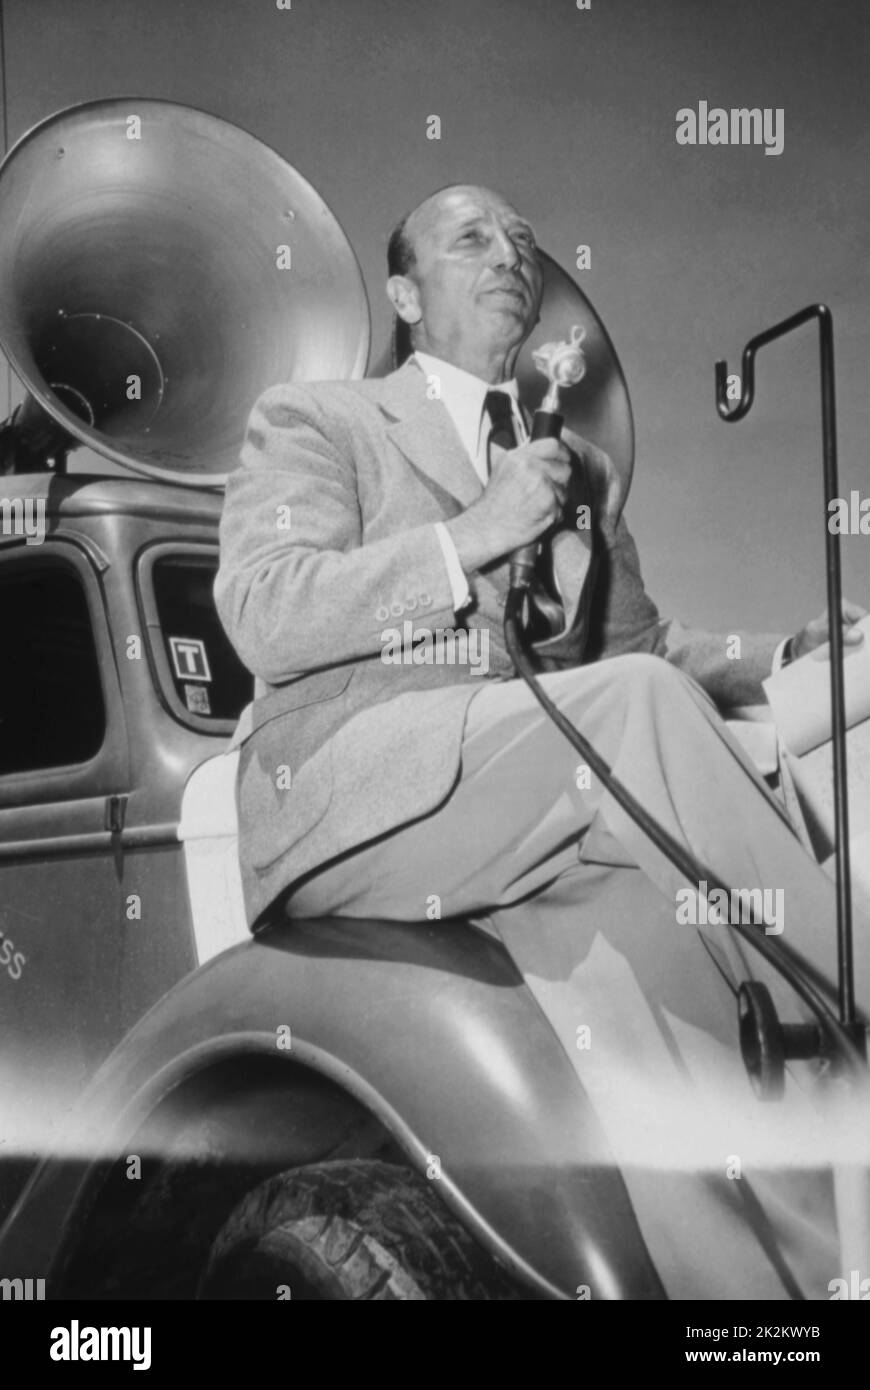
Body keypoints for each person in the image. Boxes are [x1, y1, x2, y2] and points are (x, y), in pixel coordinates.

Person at [216, 183, 870, 1298]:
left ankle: (784, 1285)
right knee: (639, 713)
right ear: (405, 295)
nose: (510, 253)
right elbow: (264, 611)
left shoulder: (577, 466)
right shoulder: (317, 418)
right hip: (355, 787)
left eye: (521, 240)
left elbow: (646, 648)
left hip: (520, 790)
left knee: (655, 956)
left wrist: (785, 652)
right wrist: (474, 535)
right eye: (472, 237)